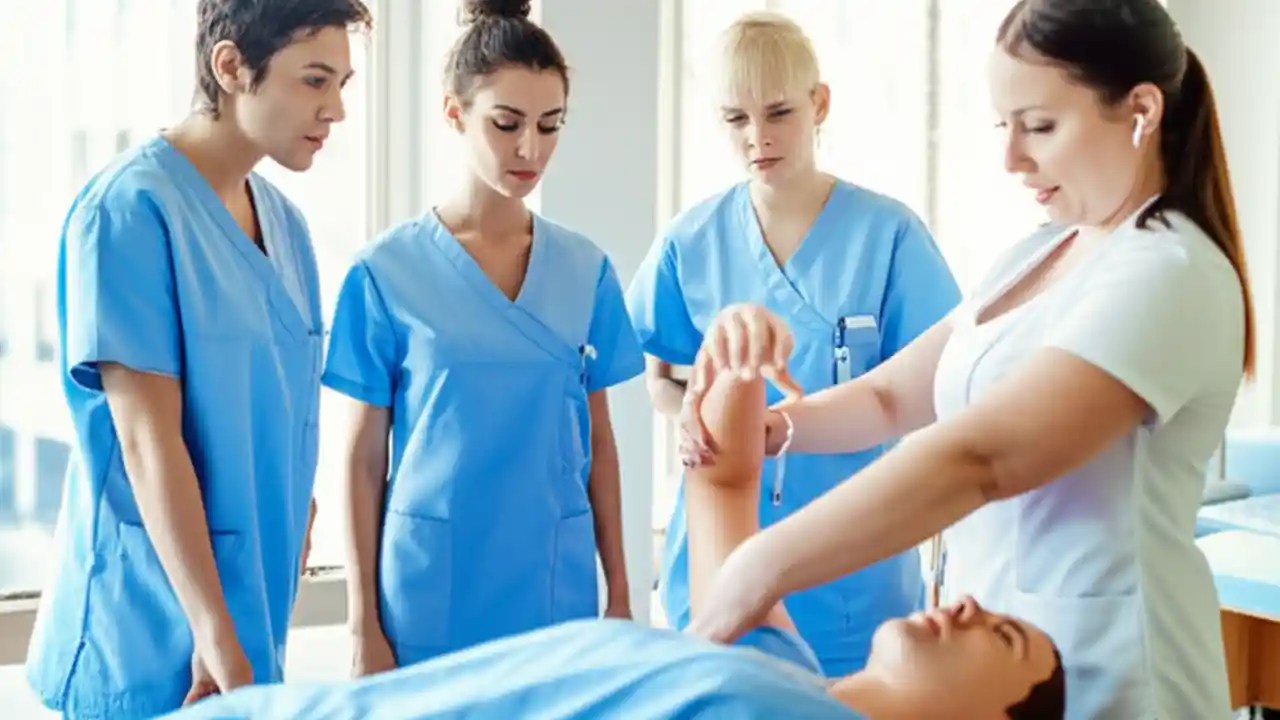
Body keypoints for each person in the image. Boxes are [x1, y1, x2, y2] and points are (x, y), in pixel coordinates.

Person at [681, 1, 1252, 718]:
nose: (1011, 157)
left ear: (1140, 110)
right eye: (1002, 126)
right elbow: (892, 399)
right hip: (985, 673)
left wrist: (761, 569)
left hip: (1113, 673)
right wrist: (775, 428)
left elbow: (984, 458)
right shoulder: (1040, 252)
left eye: (1039, 126)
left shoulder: (1169, 271)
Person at [166, 368, 1064, 720]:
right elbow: (722, 483)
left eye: (1005, 637)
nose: (967, 603)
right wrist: (738, 355)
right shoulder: (783, 669)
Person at [24, 2, 373, 717]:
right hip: (150, 627)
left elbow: (277, 401)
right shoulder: (128, 212)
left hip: (252, 612)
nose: (336, 108)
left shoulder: (288, 225)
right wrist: (213, 629)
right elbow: (147, 444)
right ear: (230, 66)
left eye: (343, 83)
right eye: (314, 80)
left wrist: (296, 507)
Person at [624, 11, 961, 677]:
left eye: (778, 112)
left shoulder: (888, 236)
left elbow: (938, 394)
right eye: (735, 119)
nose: (758, 137)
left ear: (819, 103)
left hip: (854, 569)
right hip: (721, 561)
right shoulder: (689, 242)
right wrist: (691, 417)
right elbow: (659, 378)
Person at [322, 0, 643, 677]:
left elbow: (602, 449)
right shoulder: (385, 273)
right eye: (507, 124)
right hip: (429, 593)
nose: (531, 149)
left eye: (550, 126)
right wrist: (361, 624)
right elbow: (359, 461)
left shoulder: (585, 271)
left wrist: (620, 593)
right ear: (453, 113)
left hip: (554, 592)